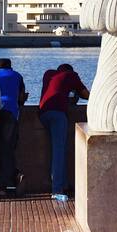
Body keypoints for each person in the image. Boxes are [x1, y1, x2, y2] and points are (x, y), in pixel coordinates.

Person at [38, 63, 89, 198]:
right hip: (58, 114)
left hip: (43, 113)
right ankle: (57, 189)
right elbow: (86, 94)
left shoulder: (48, 73)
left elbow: (56, 90)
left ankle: (64, 184)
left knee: (59, 148)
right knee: (58, 151)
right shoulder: (71, 75)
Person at [0, 57, 28, 196]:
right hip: (11, 113)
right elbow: (21, 96)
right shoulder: (17, 76)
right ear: (10, 67)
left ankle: (6, 183)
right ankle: (6, 184)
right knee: (7, 149)